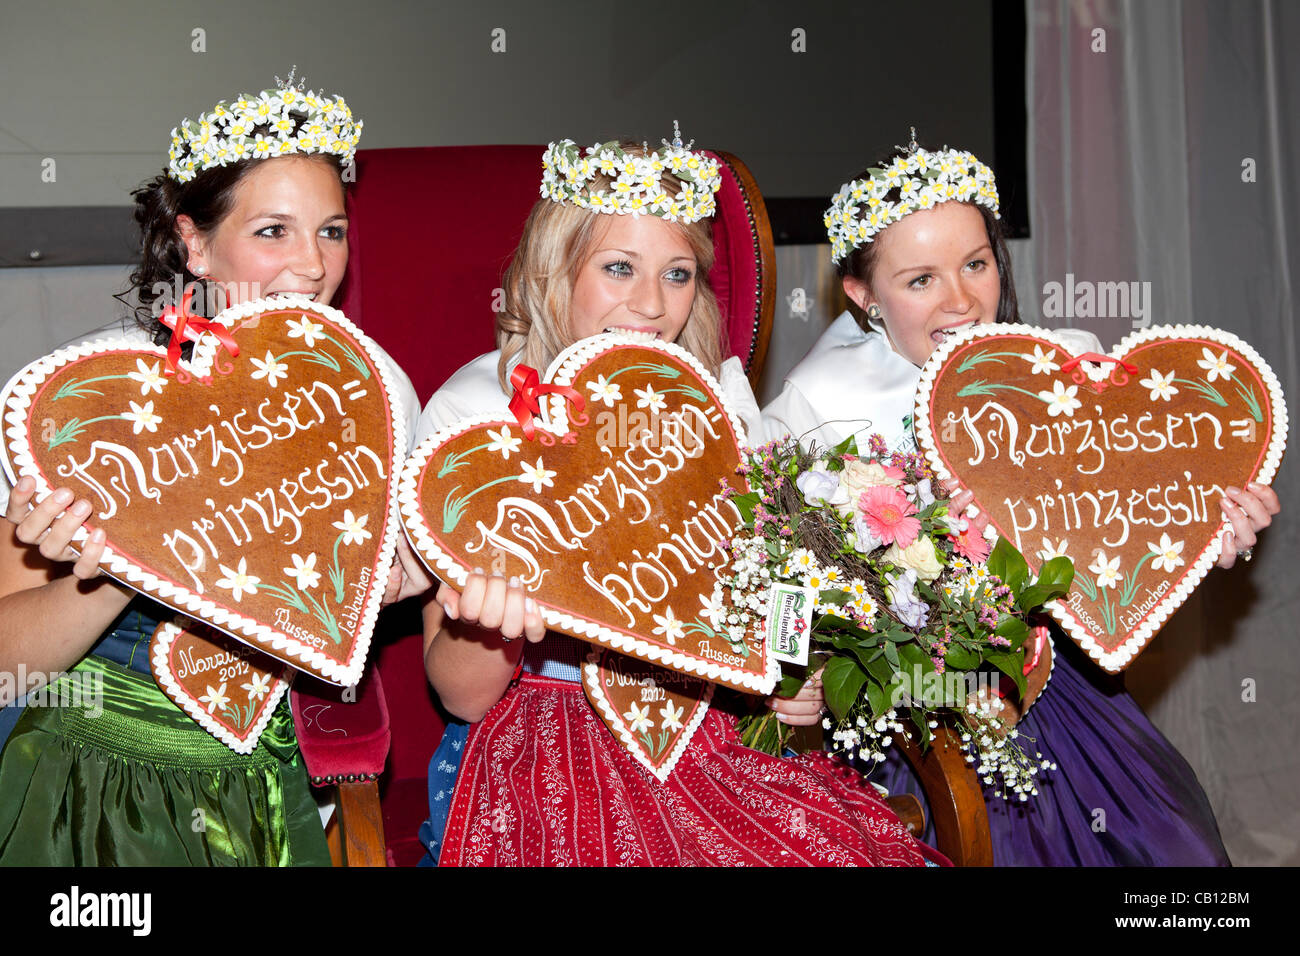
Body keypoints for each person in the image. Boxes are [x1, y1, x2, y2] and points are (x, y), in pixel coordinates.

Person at [414, 136, 941, 866]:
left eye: (678, 274)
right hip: (540, 742)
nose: (652, 305)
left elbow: (776, 580)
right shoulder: (477, 416)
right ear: (551, 270)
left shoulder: (715, 403)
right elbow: (462, 699)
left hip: (707, 729)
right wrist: (493, 628)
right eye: (619, 268)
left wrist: (794, 677)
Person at [764, 136, 1279, 865]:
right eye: (920, 280)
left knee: (1169, 845)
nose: (962, 299)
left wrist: (1207, 530)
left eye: (976, 264)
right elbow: (769, 571)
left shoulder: (1063, 373)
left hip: (1062, 693)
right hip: (908, 722)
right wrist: (787, 674)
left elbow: (1129, 521)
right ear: (861, 294)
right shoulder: (818, 408)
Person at [0, 76, 420, 865]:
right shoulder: (95, 401)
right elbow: (7, 666)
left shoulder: (373, 385)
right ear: (193, 243)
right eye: (273, 231)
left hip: (278, 774)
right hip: (92, 772)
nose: (312, 265)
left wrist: (397, 575)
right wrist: (137, 556)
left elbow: (412, 575)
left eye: (331, 231)